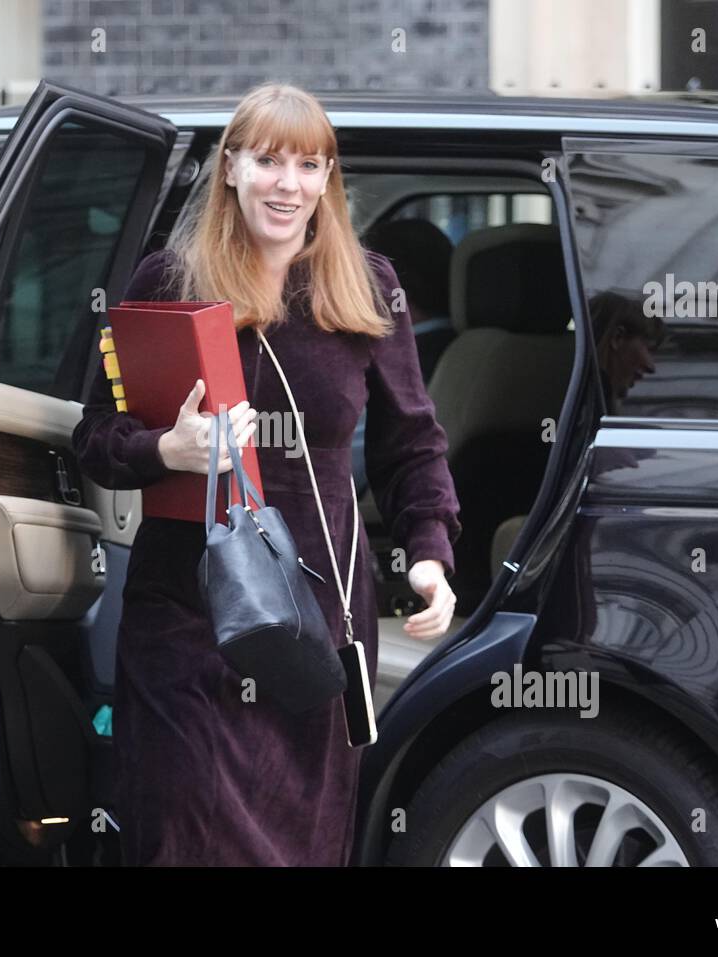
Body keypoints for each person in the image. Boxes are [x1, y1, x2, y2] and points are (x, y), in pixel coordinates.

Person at [70, 82, 462, 866]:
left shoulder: (367, 285)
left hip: (310, 614)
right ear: (230, 169)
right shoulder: (170, 280)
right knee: (180, 825)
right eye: (269, 161)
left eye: (310, 165)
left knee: (298, 841)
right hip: (187, 611)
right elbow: (93, 437)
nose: (289, 184)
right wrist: (167, 452)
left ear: (328, 180)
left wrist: (429, 553)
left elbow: (412, 443)